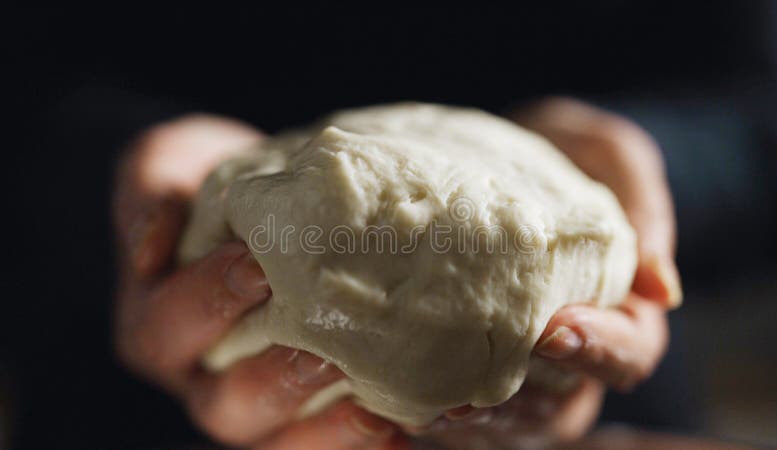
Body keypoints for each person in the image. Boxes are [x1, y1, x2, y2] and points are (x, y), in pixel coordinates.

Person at [112, 97, 680, 450]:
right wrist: (122, 174)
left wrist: (639, 156)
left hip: (598, 421)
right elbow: (35, 67)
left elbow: (758, 125)